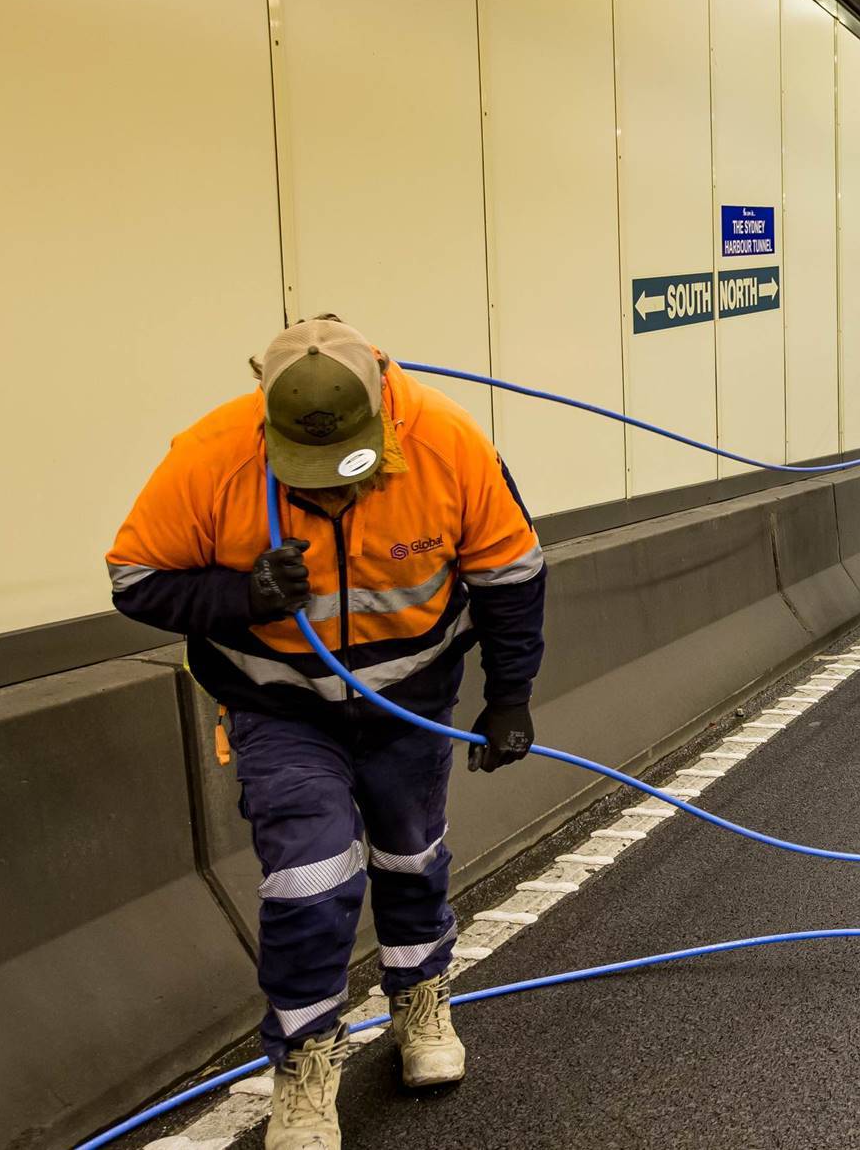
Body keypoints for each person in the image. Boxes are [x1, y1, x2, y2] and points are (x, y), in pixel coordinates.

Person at [106, 316, 547, 1150]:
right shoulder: (213, 455)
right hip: (280, 709)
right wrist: (238, 597)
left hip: (409, 699)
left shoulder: (448, 442)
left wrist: (511, 696)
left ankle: (419, 998)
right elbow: (136, 580)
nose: (336, 495)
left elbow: (511, 572)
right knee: (309, 876)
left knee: (411, 856)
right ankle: (306, 1059)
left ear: (383, 414)